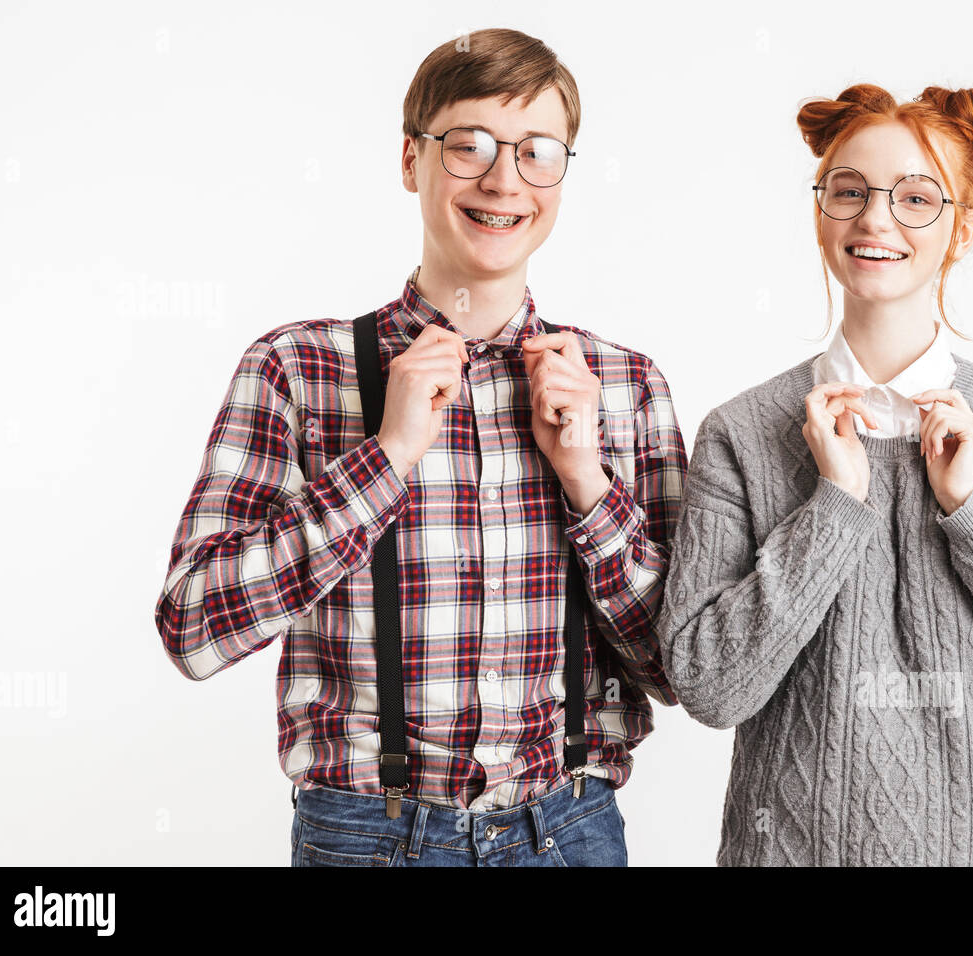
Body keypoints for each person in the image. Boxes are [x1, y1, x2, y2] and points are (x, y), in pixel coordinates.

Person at [154, 28, 687, 867]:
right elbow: (192, 629)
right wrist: (385, 458)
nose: (504, 180)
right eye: (468, 146)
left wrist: (587, 480)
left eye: (537, 152)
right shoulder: (297, 368)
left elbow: (682, 668)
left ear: (562, 174)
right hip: (368, 836)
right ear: (411, 161)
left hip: (570, 831)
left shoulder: (624, 386)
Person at [655, 84, 973, 866]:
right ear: (821, 211)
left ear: (963, 230)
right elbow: (711, 689)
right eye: (848, 191)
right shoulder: (743, 432)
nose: (876, 219)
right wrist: (835, 505)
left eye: (916, 198)